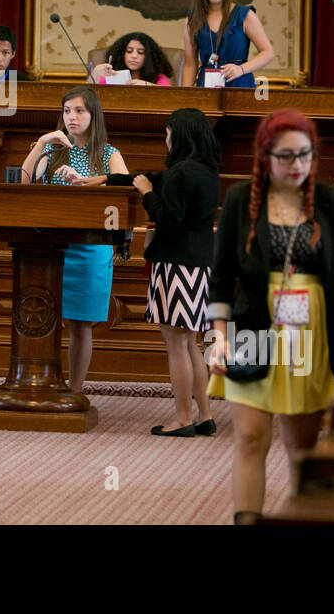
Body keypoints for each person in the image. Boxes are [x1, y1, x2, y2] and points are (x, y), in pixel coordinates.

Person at [206, 108, 334, 523]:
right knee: (250, 438)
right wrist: (219, 336)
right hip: (253, 326)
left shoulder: (332, 201)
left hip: (310, 332)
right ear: (265, 156)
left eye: (305, 155)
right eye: (286, 156)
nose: (297, 165)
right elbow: (221, 278)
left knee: (302, 446)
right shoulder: (239, 201)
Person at [109, 109, 220, 436]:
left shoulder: (181, 173)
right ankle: (204, 415)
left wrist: (146, 193)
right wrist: (108, 179)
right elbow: (154, 178)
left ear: (181, 136)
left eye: (169, 133)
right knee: (192, 343)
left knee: (176, 345)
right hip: (199, 263)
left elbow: (166, 217)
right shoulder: (205, 171)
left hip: (175, 265)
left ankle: (182, 419)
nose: (165, 139)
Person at [20, 86, 128, 393]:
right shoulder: (54, 150)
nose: (72, 117)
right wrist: (42, 142)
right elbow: (23, 182)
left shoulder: (108, 153)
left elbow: (125, 192)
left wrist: (87, 184)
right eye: (67, 111)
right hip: (54, 248)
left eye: (79, 111)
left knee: (80, 324)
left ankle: (75, 390)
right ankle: (45, 382)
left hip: (92, 248)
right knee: (48, 320)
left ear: (93, 115)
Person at [183, 0, 275, 88]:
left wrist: (241, 69)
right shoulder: (192, 18)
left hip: (239, 83)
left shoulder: (245, 15)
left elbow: (268, 53)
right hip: (206, 86)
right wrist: (183, 97)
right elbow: (190, 63)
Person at [89, 31, 173, 86]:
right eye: (129, 51)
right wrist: (95, 74)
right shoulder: (110, 76)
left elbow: (167, 94)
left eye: (140, 52)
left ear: (148, 57)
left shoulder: (158, 78)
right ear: (122, 54)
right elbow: (87, 94)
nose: (134, 56)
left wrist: (146, 85)